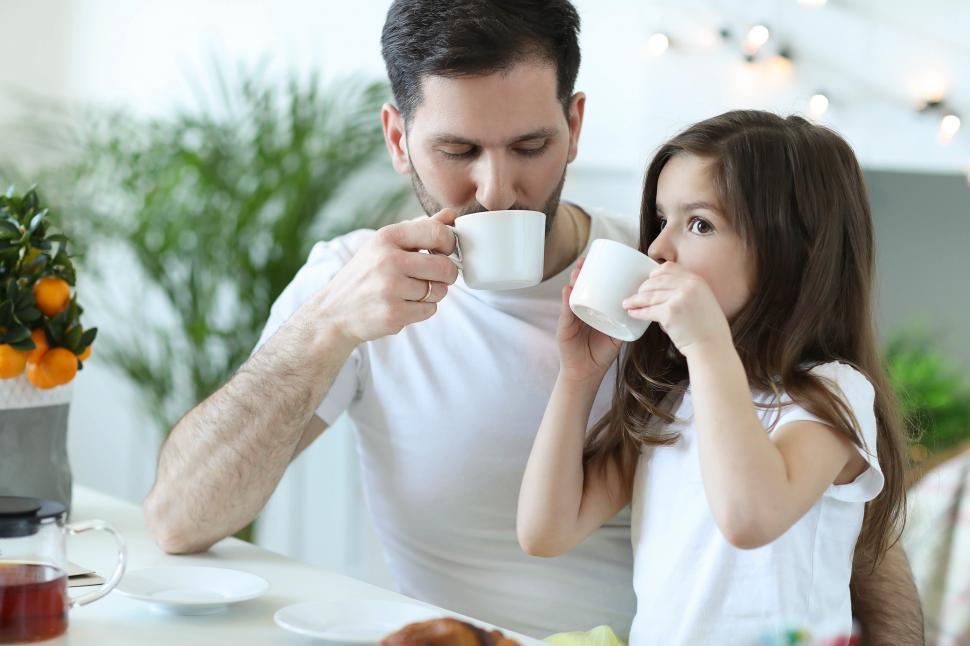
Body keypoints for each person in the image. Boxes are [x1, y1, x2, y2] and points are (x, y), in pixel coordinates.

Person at [143, 1, 923, 641]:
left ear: (575, 126)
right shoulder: (350, 283)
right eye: (457, 149)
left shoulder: (679, 284)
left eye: (530, 145)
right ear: (397, 140)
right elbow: (179, 521)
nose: (497, 189)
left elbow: (844, 531)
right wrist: (326, 329)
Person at [517, 110, 914, 644]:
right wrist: (578, 377)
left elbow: (749, 517)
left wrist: (706, 345)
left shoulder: (829, 393)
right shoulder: (673, 396)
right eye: (661, 220)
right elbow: (546, 530)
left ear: (790, 251)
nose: (658, 249)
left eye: (699, 224)